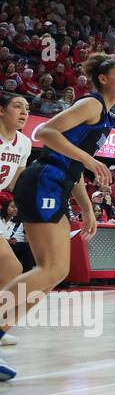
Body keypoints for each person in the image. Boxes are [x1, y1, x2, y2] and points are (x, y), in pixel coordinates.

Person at [1, 54, 115, 381]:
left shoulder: (106, 115)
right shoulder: (92, 105)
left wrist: (86, 208)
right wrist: (87, 159)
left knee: (57, 271)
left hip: (59, 182)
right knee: (50, 268)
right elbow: (45, 131)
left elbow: (72, 168)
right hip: (44, 179)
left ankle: (2, 329)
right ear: (103, 78)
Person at [0, 94, 32, 348]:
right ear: (2, 111)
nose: (24, 112)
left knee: (12, 269)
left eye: (27, 108)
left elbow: (12, 182)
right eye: (18, 106)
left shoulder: (24, 143)